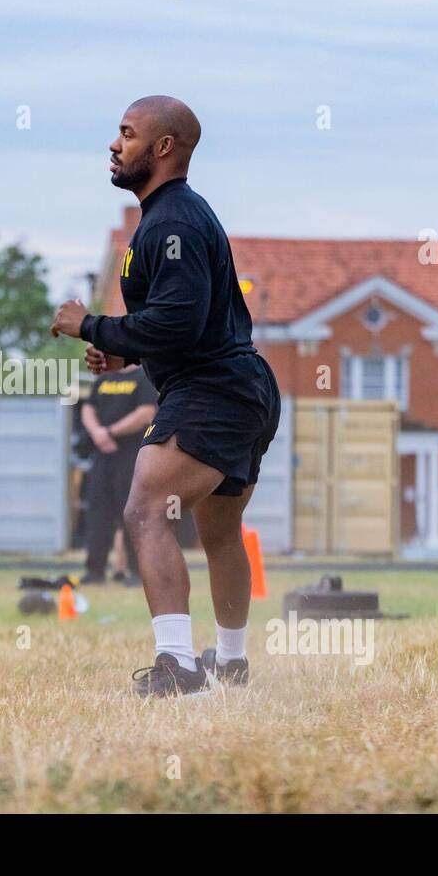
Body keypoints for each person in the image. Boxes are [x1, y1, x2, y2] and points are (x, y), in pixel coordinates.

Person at [52, 95, 281, 696]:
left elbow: (178, 324)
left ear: (163, 148)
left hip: (214, 391)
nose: (113, 144)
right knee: (220, 529)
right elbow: (186, 324)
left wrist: (93, 326)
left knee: (145, 510)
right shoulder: (169, 218)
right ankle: (230, 664)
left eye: (126, 134)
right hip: (241, 386)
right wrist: (123, 352)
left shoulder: (173, 222)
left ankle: (178, 666)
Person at [80, 363, 156, 585]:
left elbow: (146, 413)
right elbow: (88, 408)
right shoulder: (106, 377)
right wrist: (97, 434)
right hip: (103, 455)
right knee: (97, 513)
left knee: (133, 513)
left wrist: (111, 432)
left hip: (132, 455)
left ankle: (137, 572)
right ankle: (94, 571)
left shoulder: (144, 377)